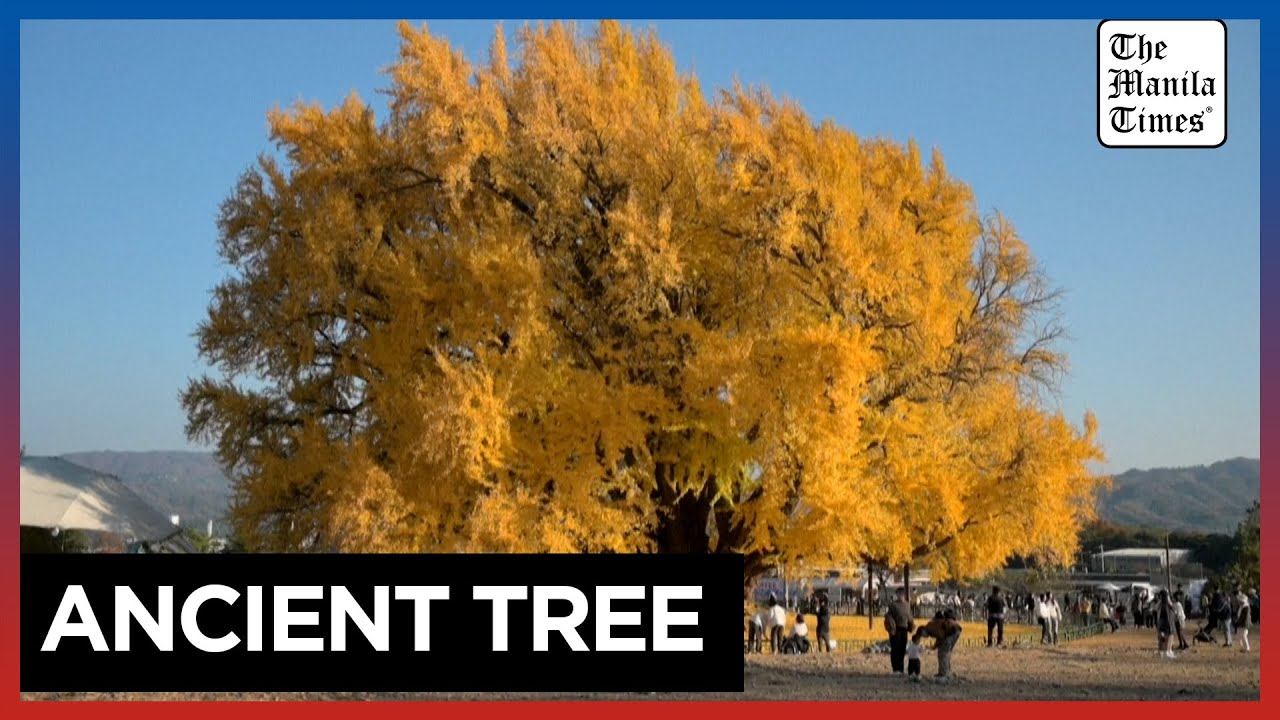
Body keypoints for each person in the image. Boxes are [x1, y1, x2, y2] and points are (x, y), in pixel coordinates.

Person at [918, 610, 963, 679]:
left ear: (923, 631)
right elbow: (940, 637)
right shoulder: (933, 625)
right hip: (955, 630)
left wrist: (934, 646)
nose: (924, 637)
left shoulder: (931, 627)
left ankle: (944, 673)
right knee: (947, 652)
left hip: (952, 632)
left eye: (922, 635)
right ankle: (947, 671)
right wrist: (934, 647)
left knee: (943, 652)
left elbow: (941, 637)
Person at [884, 588, 915, 674]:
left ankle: (901, 669)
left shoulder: (907, 605)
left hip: (904, 629)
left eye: (902, 594)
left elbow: (910, 616)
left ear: (904, 595)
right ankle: (895, 669)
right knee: (895, 649)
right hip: (895, 629)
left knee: (902, 649)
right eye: (898, 593)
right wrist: (891, 628)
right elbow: (888, 617)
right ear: (897, 594)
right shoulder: (893, 605)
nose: (900, 595)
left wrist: (912, 625)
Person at [1234, 587, 1252, 652]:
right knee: (1239, 634)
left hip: (1244, 623)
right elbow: (1239, 615)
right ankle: (1243, 647)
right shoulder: (1241, 607)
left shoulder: (1246, 607)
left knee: (1243, 635)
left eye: (1240, 601)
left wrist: (1242, 623)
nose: (1239, 602)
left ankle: (1247, 648)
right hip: (1241, 623)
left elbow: (1246, 618)